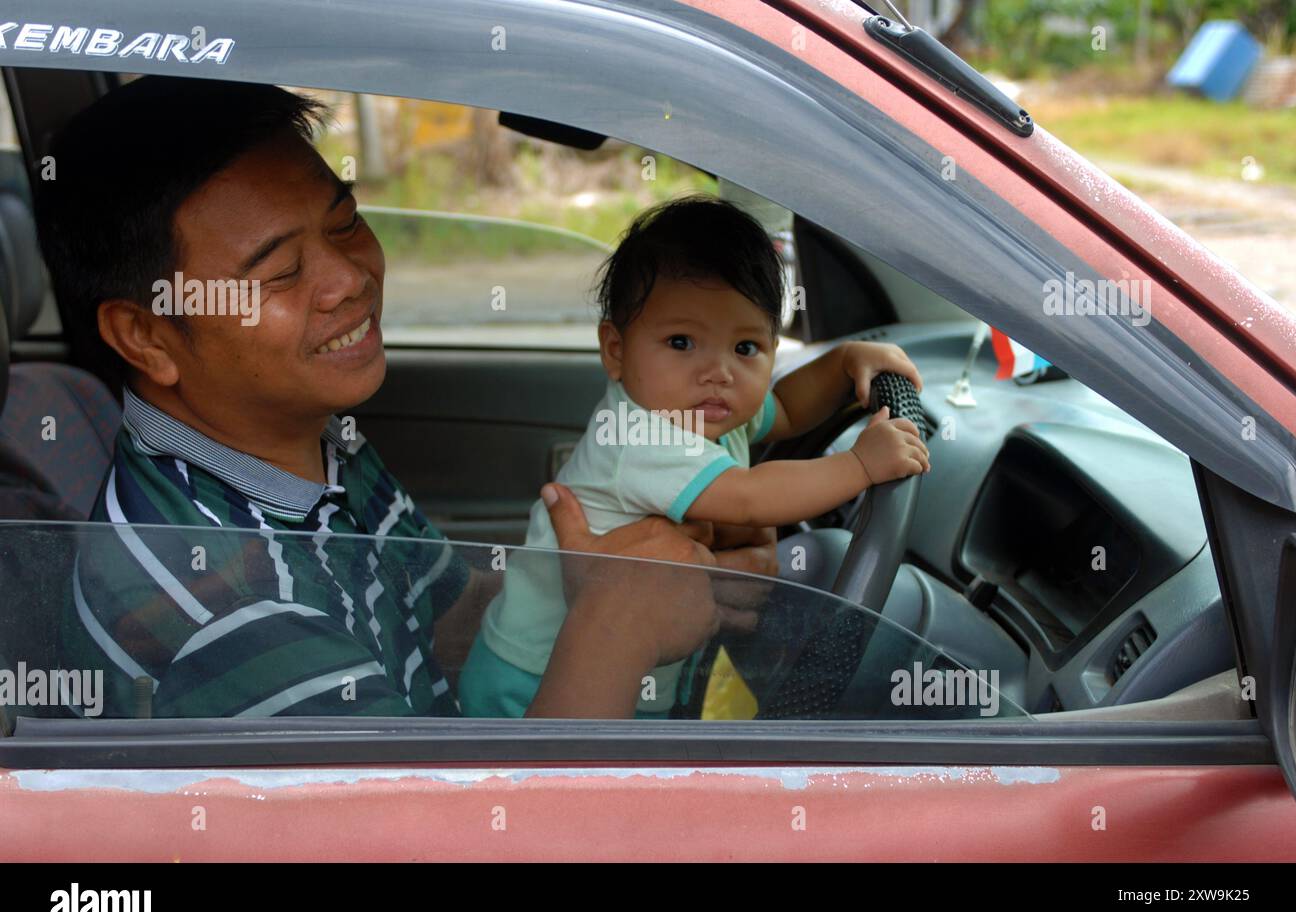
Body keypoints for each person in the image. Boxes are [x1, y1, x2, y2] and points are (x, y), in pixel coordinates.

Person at [39, 76, 774, 719]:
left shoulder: (304, 445)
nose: (350, 278)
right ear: (146, 336)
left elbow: (443, 623)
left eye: (346, 223)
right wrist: (617, 629)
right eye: (284, 272)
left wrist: (622, 583)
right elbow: (472, 842)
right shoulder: (221, 615)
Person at [460, 196, 929, 717]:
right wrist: (860, 466)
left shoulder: (703, 410)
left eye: (746, 348)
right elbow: (750, 499)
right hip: (533, 676)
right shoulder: (637, 436)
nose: (719, 372)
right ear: (615, 351)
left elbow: (789, 408)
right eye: (682, 341)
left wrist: (845, 362)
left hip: (613, 658)